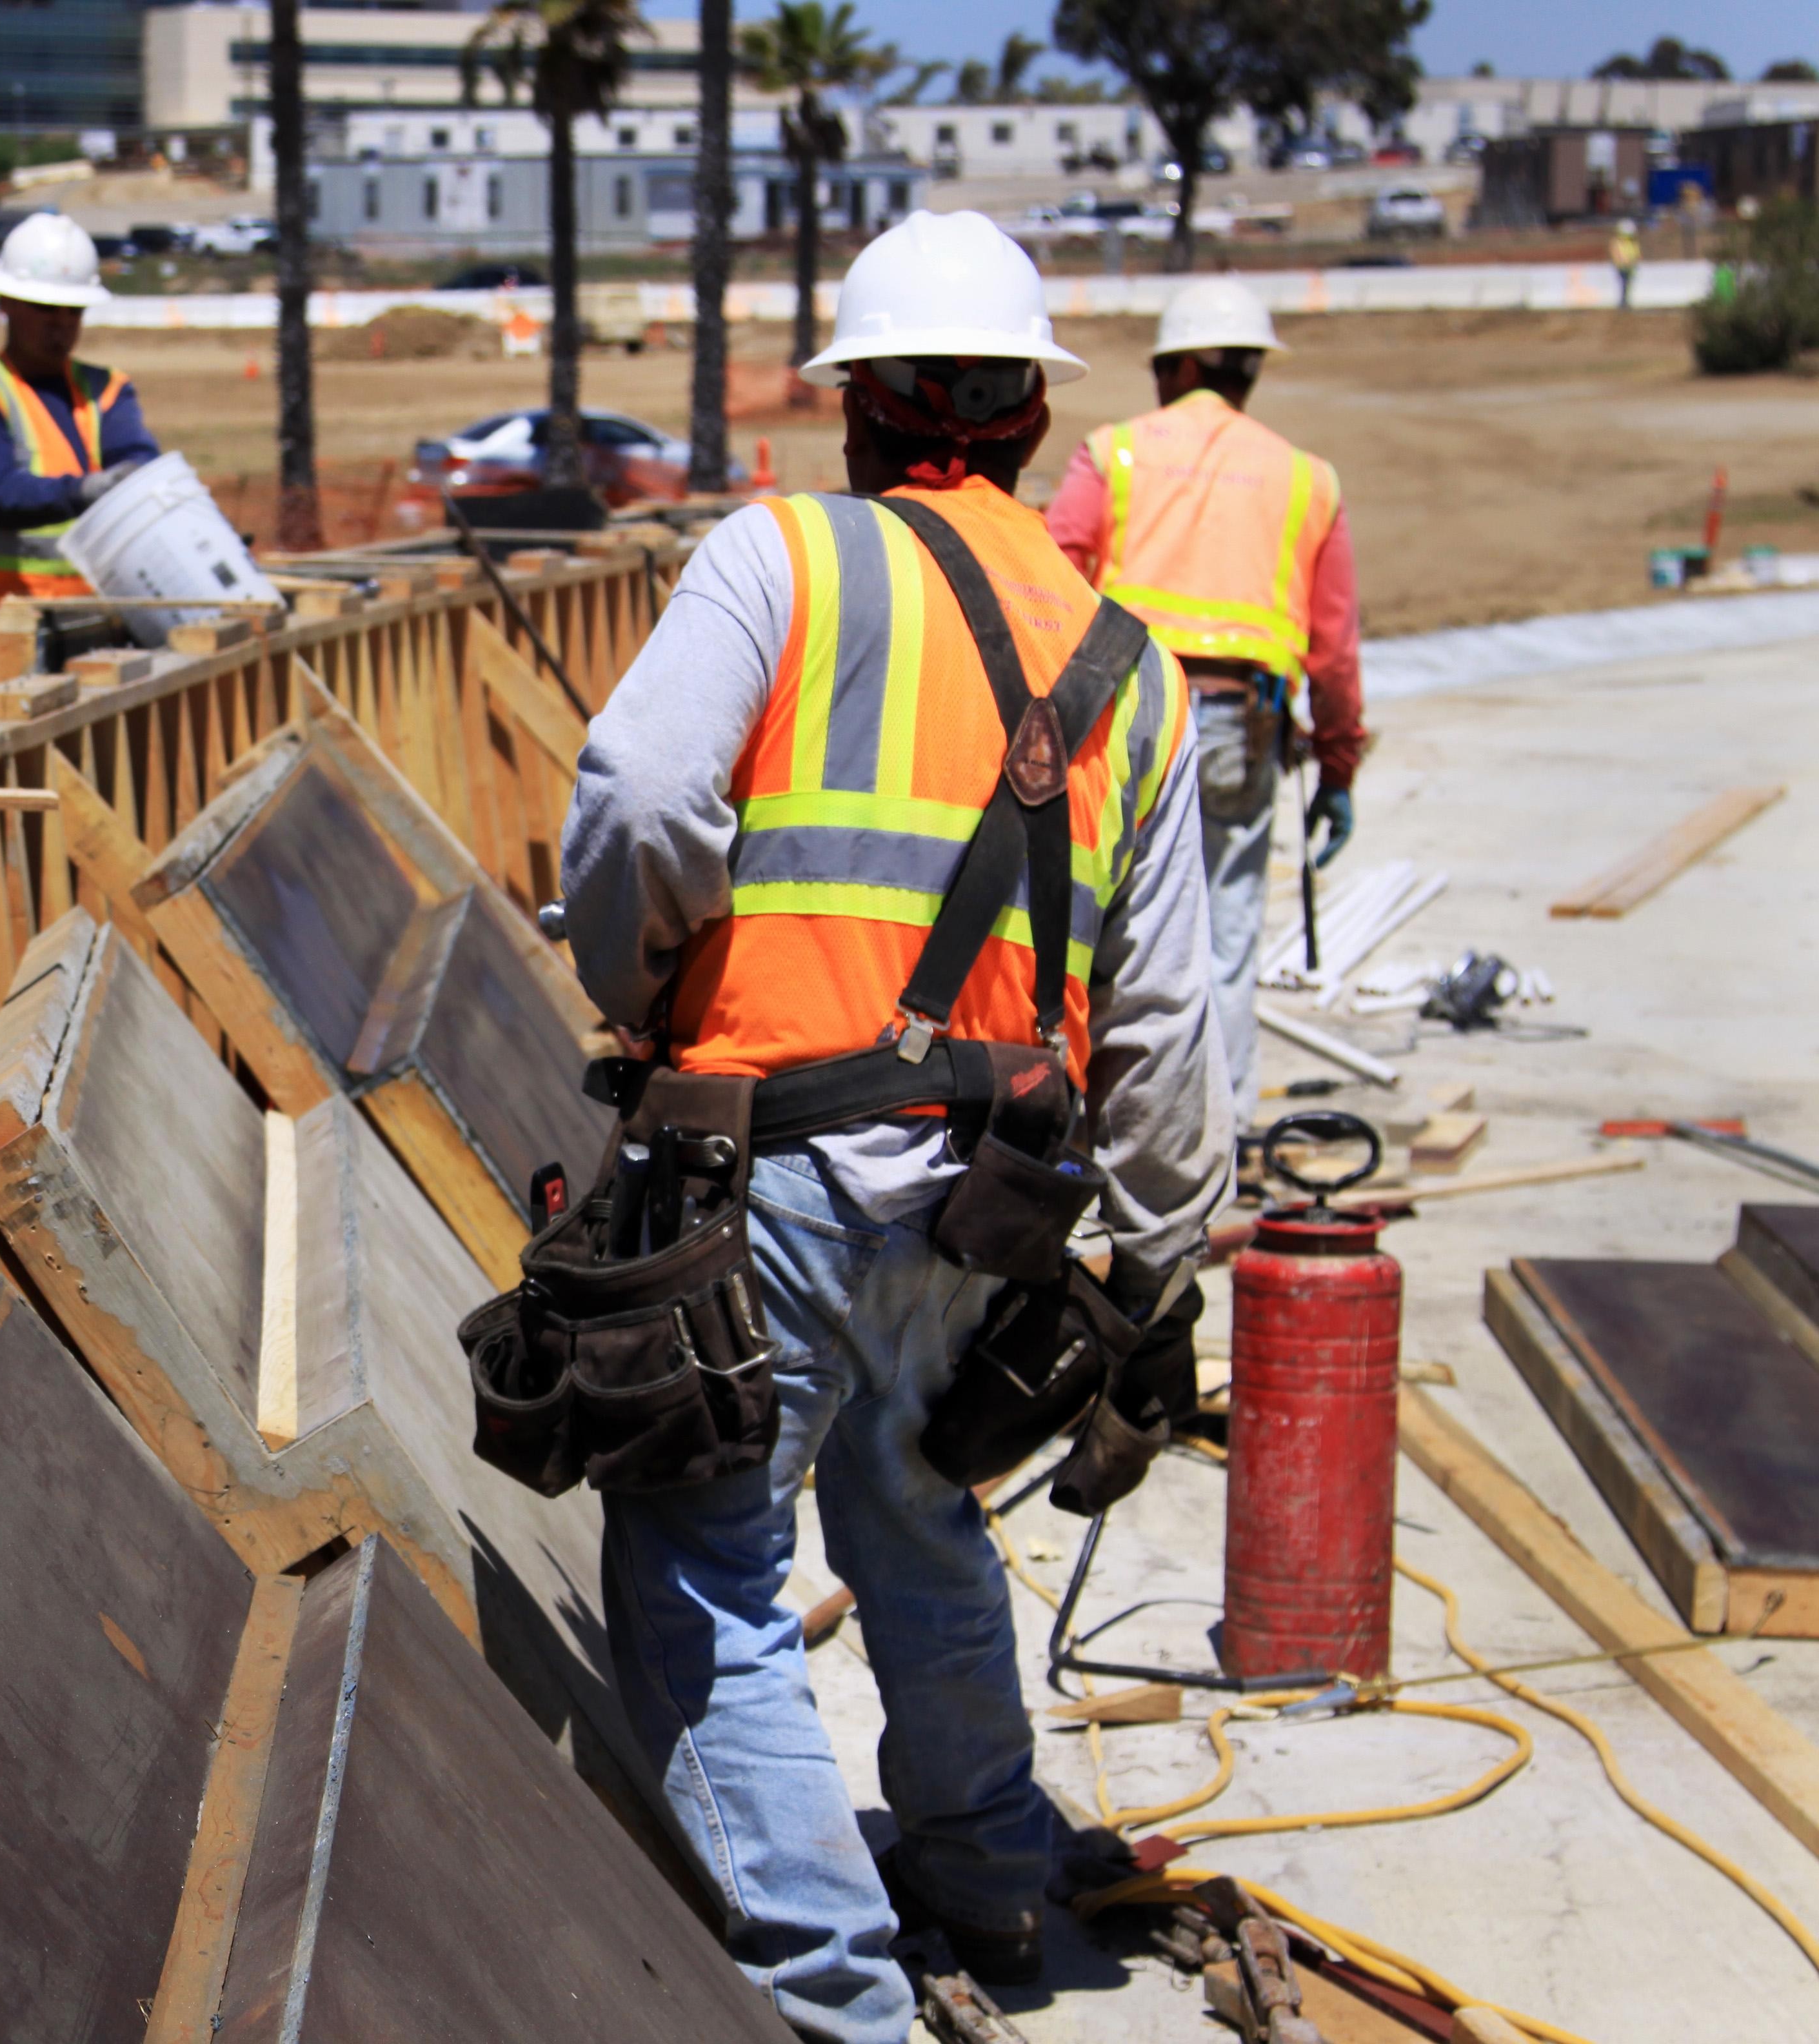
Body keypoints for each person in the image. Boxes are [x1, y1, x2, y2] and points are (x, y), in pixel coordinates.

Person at [560, 209, 1229, 2040]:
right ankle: (990, 1878)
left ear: (857, 411)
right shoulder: (1133, 668)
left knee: (706, 1567)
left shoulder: (785, 558)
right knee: (919, 1515)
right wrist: (1154, 1263)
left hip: (772, 1167)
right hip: (995, 1197)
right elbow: (1172, 1018)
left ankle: (833, 1996)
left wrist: (642, 982)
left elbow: (632, 794)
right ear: (1029, 421)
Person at [1045, 277, 1366, 1117]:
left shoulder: (1115, 451)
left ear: (1174, 365)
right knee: (1222, 940)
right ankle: (1218, 1139)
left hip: (1120, 717)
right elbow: (1332, 651)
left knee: (1102, 930)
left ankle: (1093, 1128)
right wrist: (1337, 766)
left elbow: (1047, 577)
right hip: (1240, 724)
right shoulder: (1306, 479)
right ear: (1249, 371)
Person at [0, 212, 163, 681]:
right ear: (6, 304)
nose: (60, 326)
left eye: (72, 312)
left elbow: (139, 469)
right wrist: (87, 490)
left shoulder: (106, 391)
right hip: (0, 654)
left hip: (98, 646)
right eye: (45, 309)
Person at [1609, 217, 1642, 309]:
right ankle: (1623, 302)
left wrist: (1635, 259)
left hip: (1630, 266)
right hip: (1622, 266)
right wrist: (1622, 260)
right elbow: (1616, 252)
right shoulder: (1618, 242)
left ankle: (1625, 301)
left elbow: (1636, 253)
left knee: (1628, 284)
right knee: (1624, 283)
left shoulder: (1632, 242)